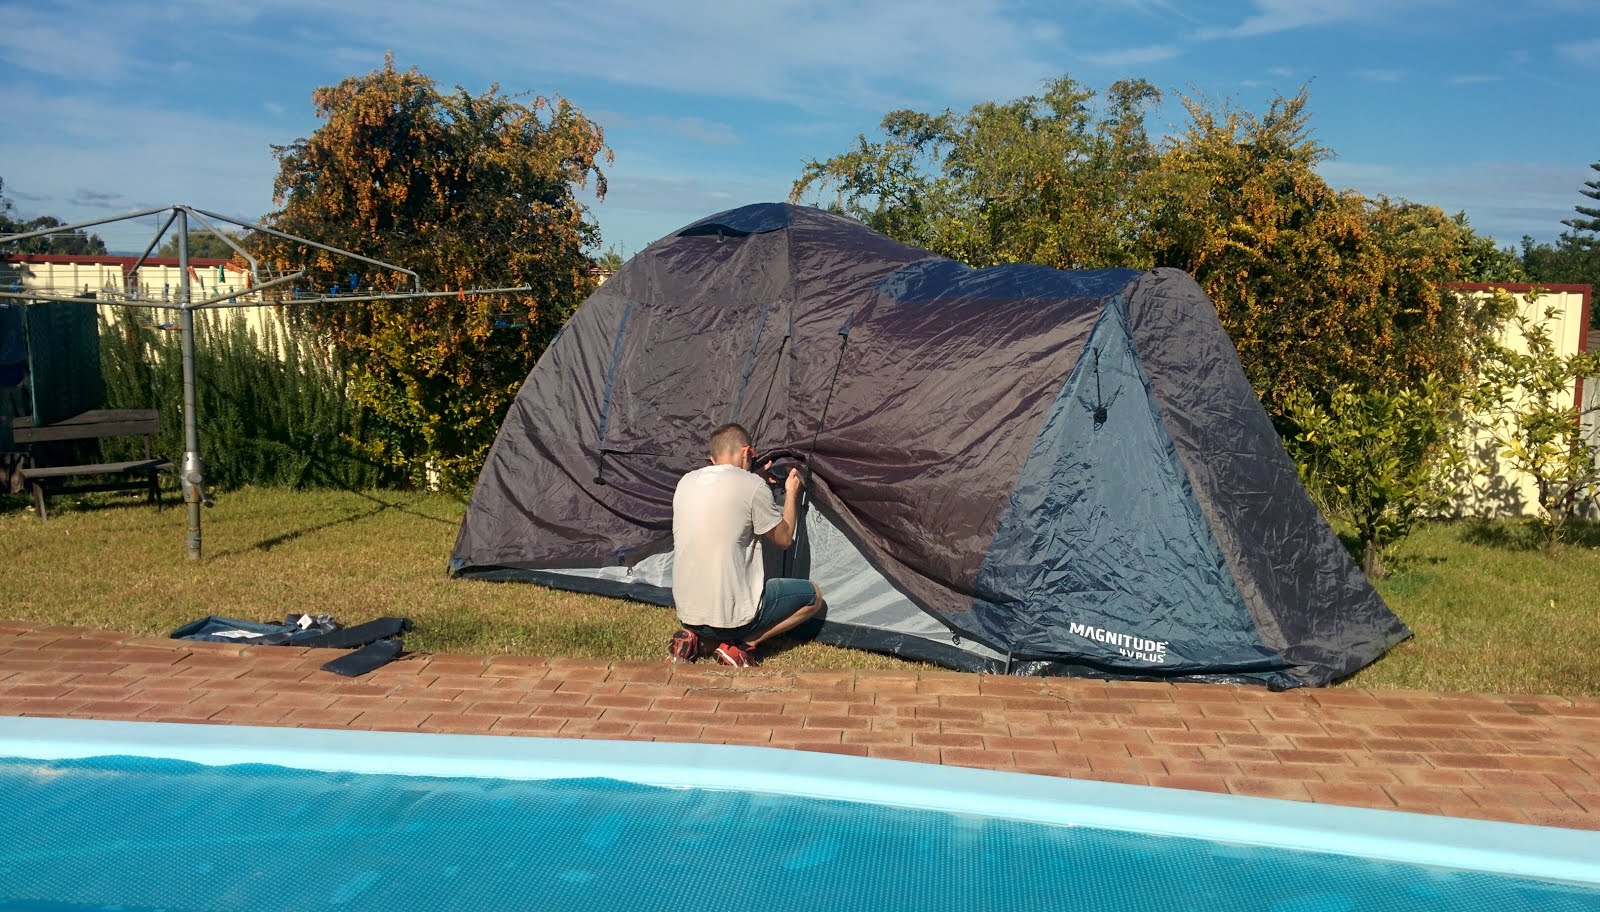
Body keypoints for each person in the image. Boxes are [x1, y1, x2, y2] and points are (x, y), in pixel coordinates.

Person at [668, 423, 823, 666]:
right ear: (747, 452)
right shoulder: (752, 486)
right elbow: (784, 540)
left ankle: (693, 636)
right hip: (734, 622)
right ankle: (742, 645)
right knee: (813, 596)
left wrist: (755, 480)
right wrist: (791, 492)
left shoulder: (685, 482)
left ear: (712, 458)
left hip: (687, 615)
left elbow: (727, 502)